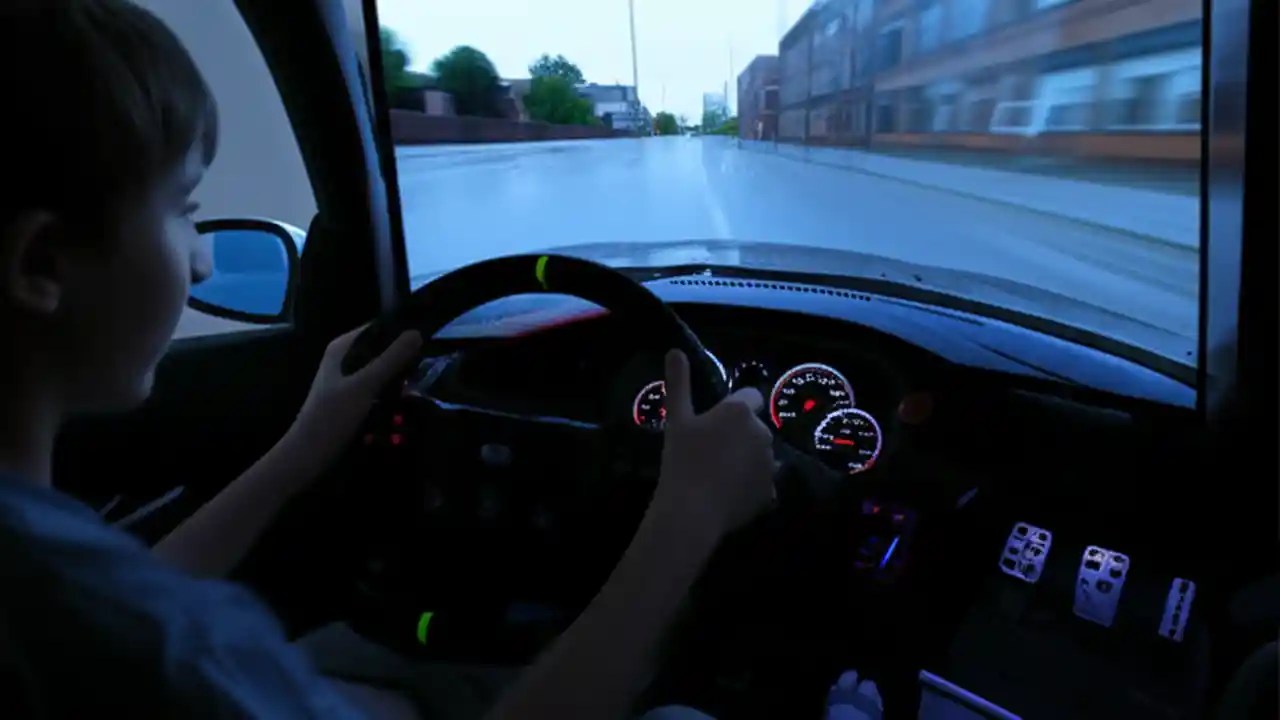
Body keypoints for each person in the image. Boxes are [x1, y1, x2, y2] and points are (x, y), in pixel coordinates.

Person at [0, 1, 778, 717]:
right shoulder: (166, 644)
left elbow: (130, 599)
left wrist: (307, 442)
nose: (203, 263)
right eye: (184, 211)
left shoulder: (62, 591)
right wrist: (689, 513)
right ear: (41, 264)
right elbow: (140, 624)